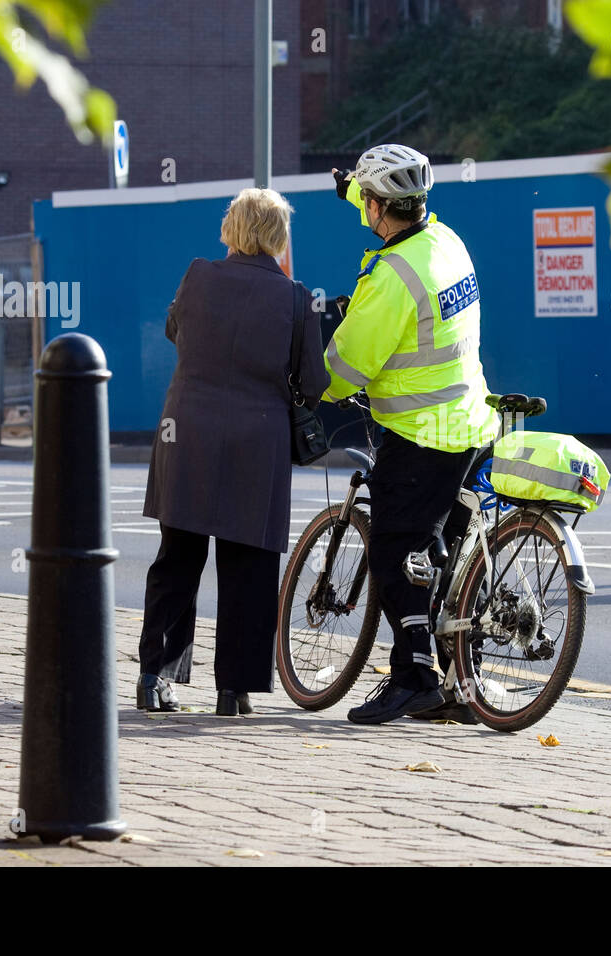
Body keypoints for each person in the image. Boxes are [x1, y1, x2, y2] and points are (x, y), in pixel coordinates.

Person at [322, 144, 498, 725]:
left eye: (364, 202)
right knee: (437, 557)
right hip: (472, 423)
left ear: (378, 208)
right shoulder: (445, 242)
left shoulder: (391, 277)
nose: (363, 210)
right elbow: (384, 201)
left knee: (394, 550)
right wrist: (350, 185)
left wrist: (307, 389)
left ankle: (414, 677)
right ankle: (458, 682)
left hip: (423, 435)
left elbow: (345, 366)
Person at [137, 187, 328, 716]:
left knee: (177, 560)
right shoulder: (296, 297)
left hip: (187, 434)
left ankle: (155, 676)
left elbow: (177, 330)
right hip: (256, 444)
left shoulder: (198, 275)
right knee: (250, 567)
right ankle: (233, 690)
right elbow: (312, 382)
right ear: (278, 237)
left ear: (232, 229)